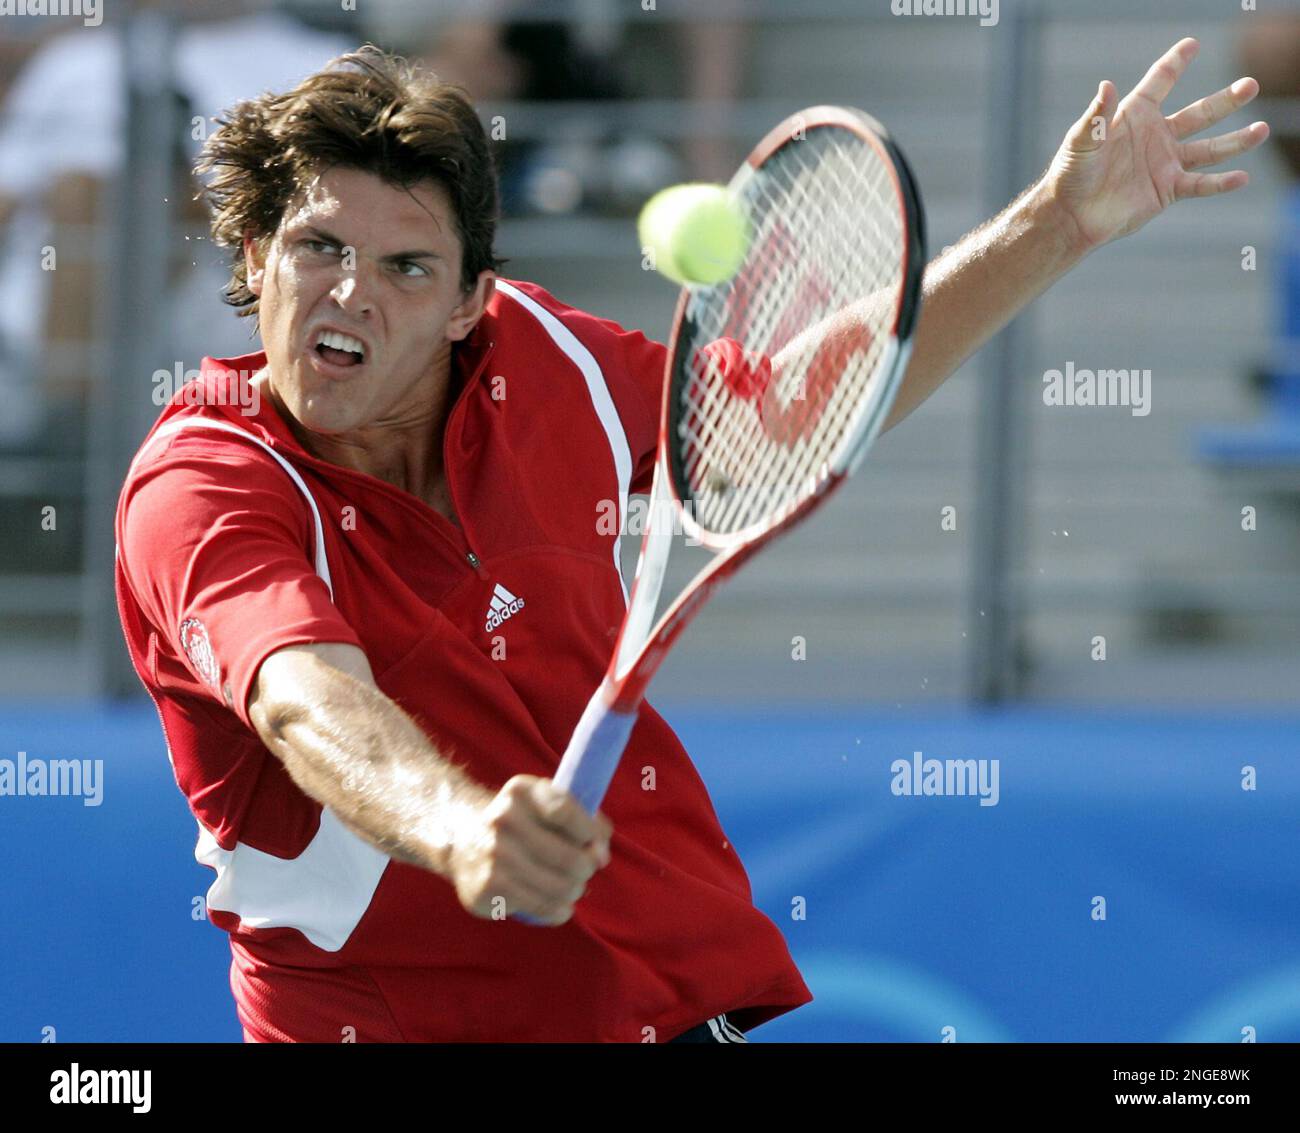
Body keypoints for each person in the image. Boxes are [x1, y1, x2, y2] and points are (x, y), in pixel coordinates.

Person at [114, 40, 1265, 1042]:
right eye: (318, 247)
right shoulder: (202, 484)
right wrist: (461, 828)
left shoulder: (545, 362)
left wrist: (1053, 224)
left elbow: (796, 409)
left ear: (470, 302)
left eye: (407, 266)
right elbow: (306, 703)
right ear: (257, 256)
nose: (351, 292)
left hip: (653, 995)